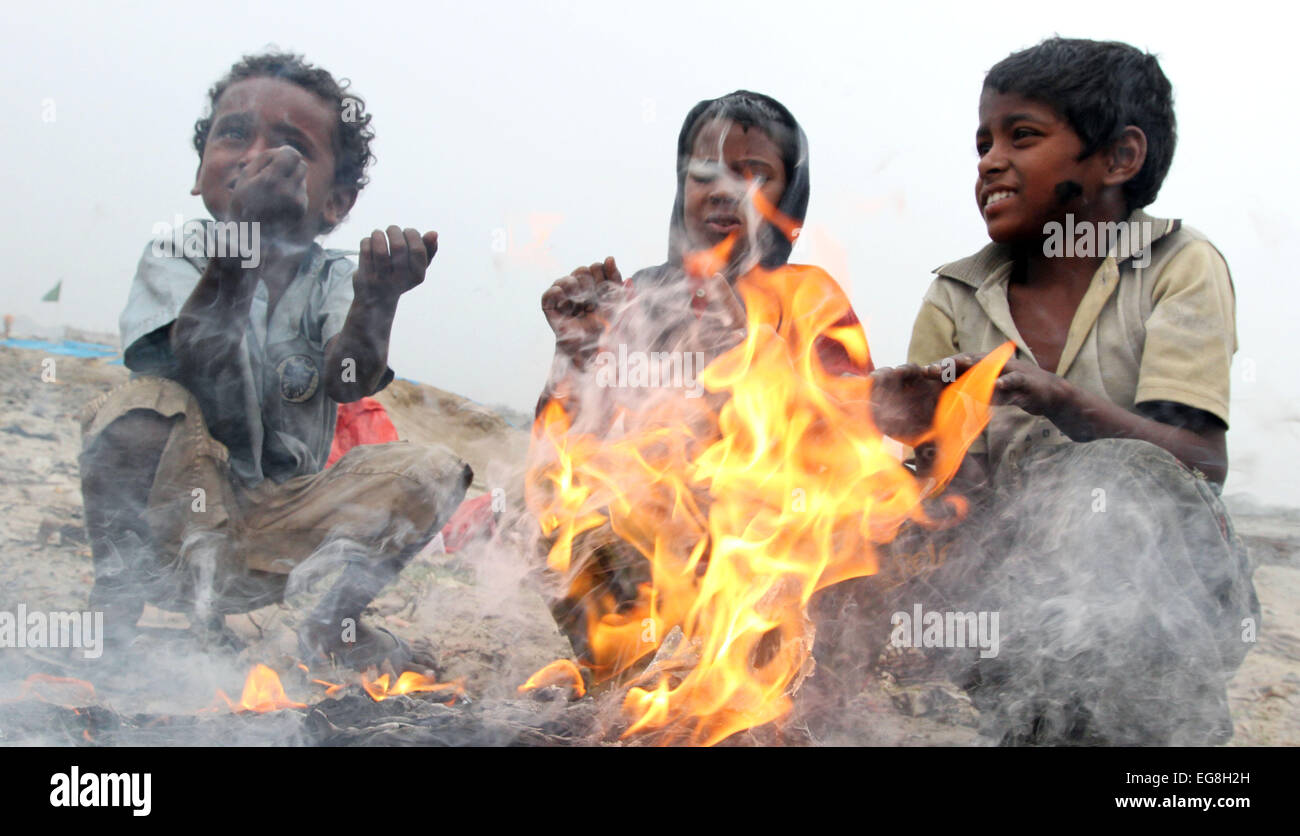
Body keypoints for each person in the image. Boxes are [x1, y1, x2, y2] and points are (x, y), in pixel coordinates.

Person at [887, 37, 1259, 744]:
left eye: (1021, 136)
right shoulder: (957, 292)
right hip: (1004, 584)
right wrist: (917, 430)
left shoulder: (1177, 265)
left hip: (1165, 583)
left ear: (1119, 158)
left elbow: (1199, 464)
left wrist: (1059, 399)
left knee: (1112, 490)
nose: (990, 161)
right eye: (982, 143)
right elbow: (943, 489)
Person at [78, 52, 470, 672]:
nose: (260, 157)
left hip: (286, 531)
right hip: (180, 520)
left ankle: (330, 624)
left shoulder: (333, 275)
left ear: (337, 201)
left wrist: (377, 301)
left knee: (434, 469)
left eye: (293, 147)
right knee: (138, 408)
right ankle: (115, 611)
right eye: (233, 134)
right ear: (200, 166)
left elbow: (352, 381)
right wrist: (244, 241)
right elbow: (199, 357)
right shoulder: (178, 249)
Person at [534, 90, 873, 667]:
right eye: (703, 173)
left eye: (753, 174)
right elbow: (561, 458)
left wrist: (743, 355)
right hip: (652, 560)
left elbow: (848, 452)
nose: (722, 190)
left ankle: (759, 678)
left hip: (772, 552)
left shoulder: (811, 299)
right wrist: (577, 358)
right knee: (577, 515)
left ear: (788, 196)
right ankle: (624, 671)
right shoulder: (639, 295)